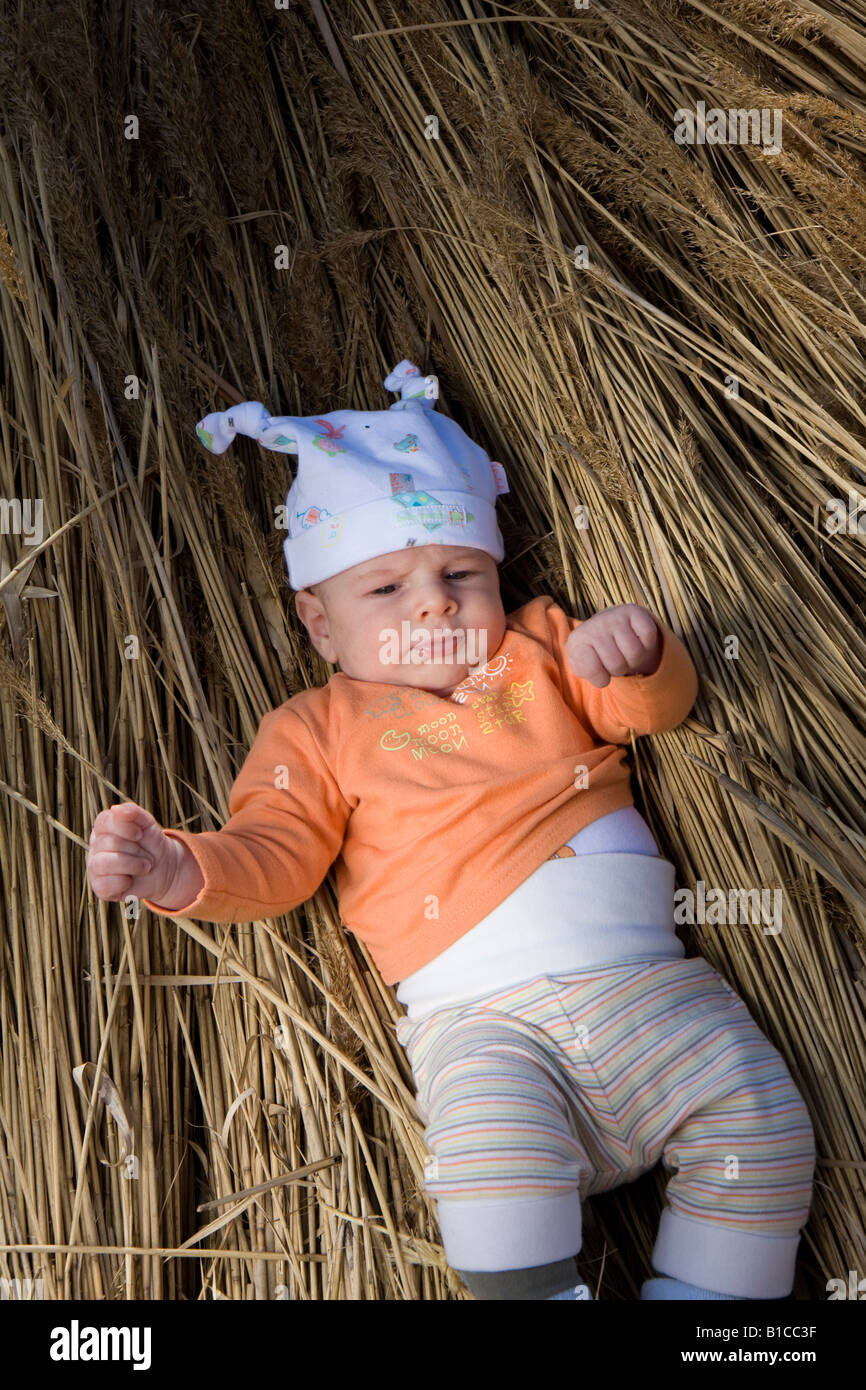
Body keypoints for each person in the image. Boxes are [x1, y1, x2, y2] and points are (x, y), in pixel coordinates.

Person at [87, 359, 815, 1300]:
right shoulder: (315, 729)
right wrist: (179, 865)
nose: (433, 601)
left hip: (653, 994)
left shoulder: (540, 648)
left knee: (765, 1129)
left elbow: (651, 710)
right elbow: (276, 855)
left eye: (460, 573)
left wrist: (636, 657)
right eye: (385, 590)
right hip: (484, 1027)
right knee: (492, 1180)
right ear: (320, 624)